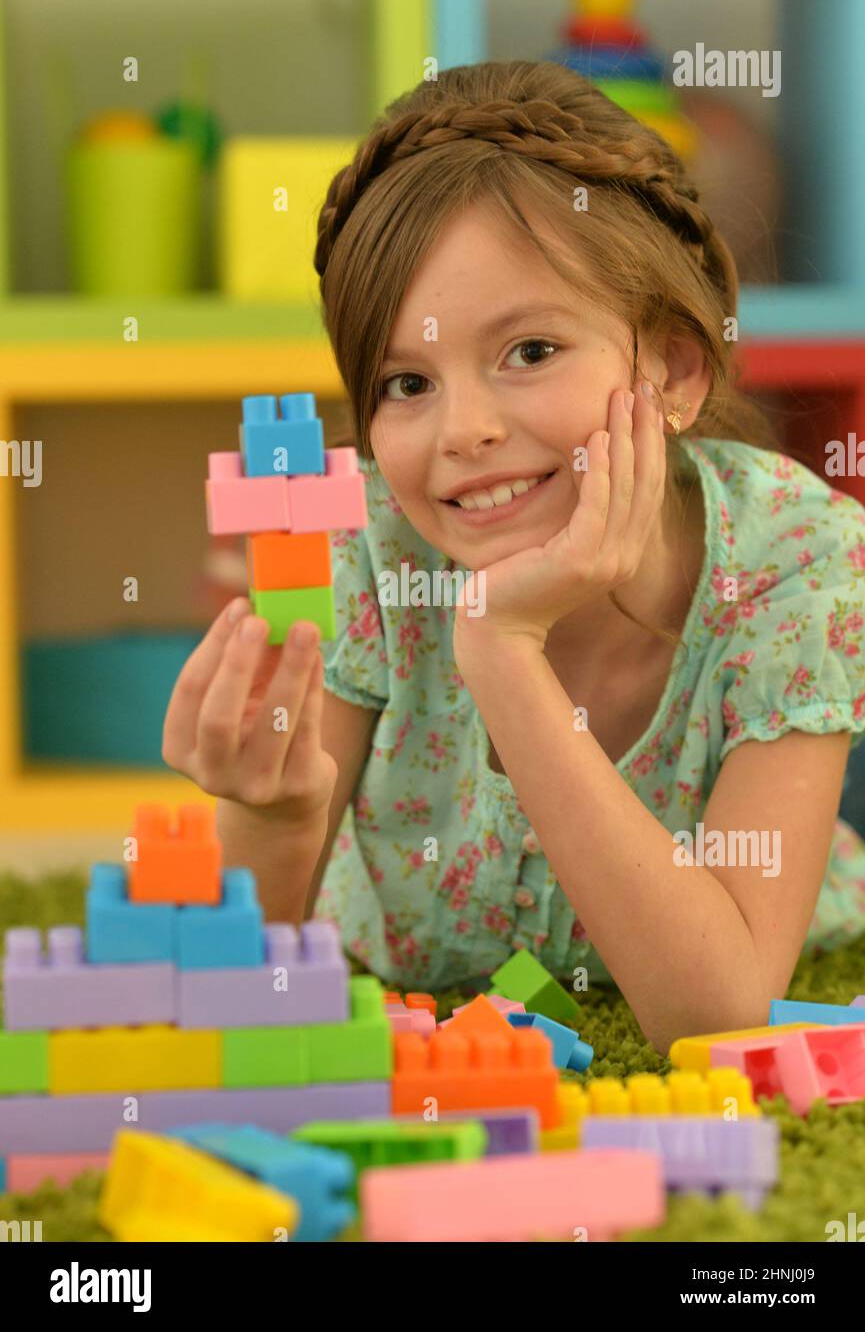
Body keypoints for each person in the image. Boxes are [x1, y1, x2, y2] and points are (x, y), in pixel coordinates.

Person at [163, 62, 865, 1053]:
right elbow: (229, 997)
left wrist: (503, 649)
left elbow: (716, 1014)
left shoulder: (795, 558)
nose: (465, 430)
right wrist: (275, 816)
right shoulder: (364, 545)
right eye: (406, 380)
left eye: (529, 351)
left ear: (668, 367)